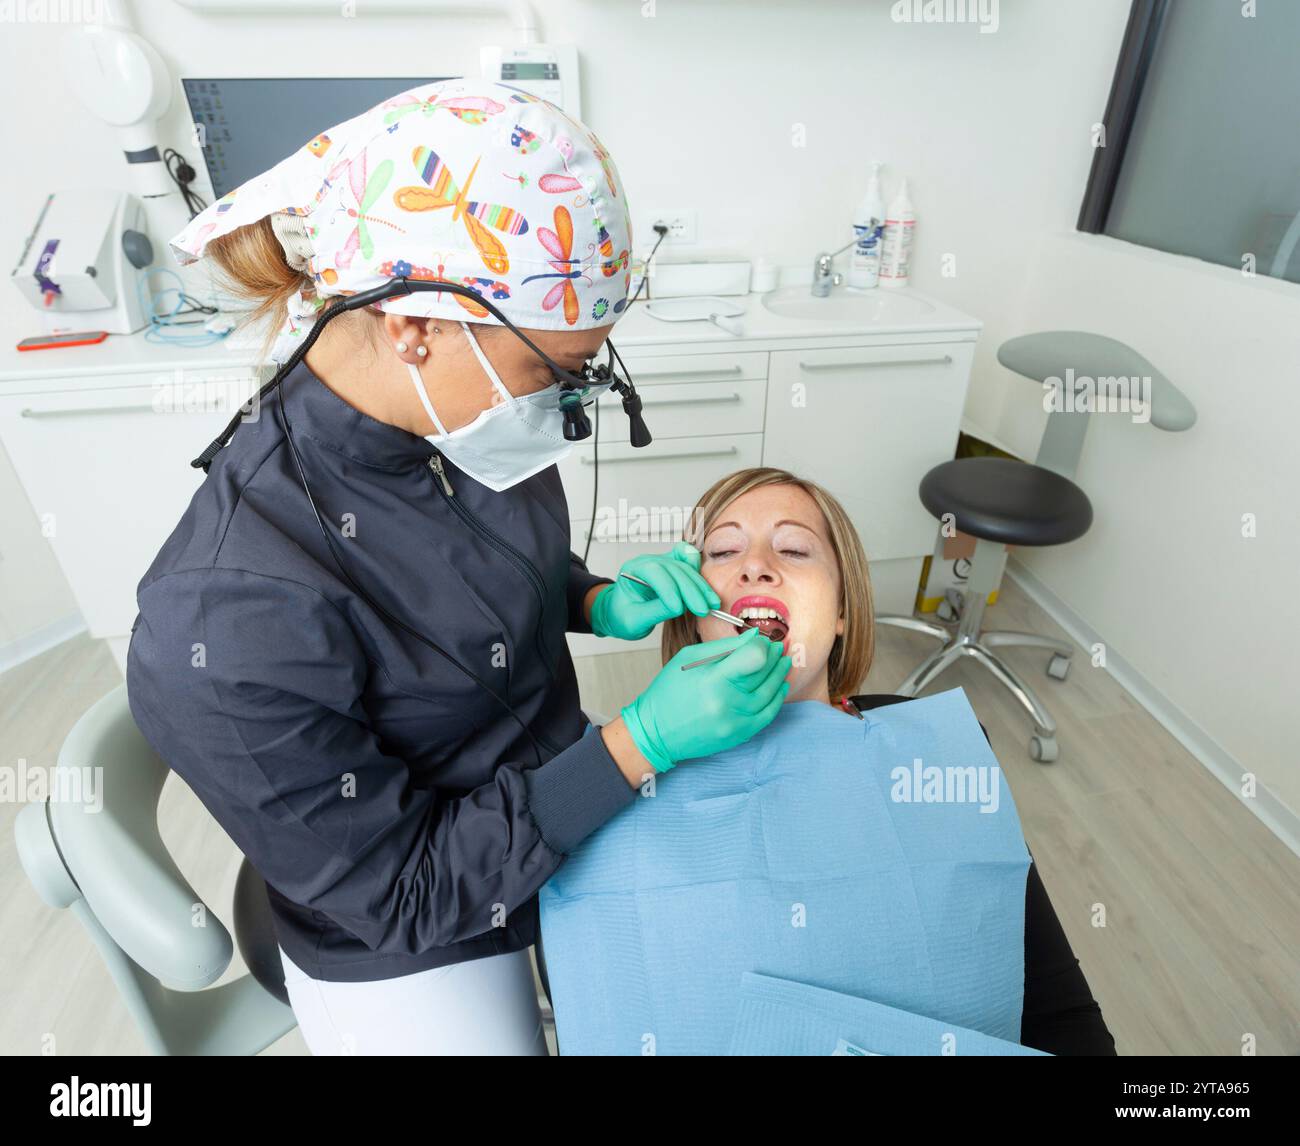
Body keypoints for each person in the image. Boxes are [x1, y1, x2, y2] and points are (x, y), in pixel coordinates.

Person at [125, 79, 788, 1056]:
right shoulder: (227, 618)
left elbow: (459, 558)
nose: (567, 408)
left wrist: (594, 598)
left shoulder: (456, 417)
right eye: (554, 375)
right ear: (414, 328)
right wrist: (637, 742)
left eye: (589, 371)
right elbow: (399, 894)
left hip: (543, 781)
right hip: (401, 909)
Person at [539, 467, 1116, 1055]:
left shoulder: (939, 764)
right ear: (691, 615)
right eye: (723, 549)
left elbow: (1062, 1018)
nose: (757, 563)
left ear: (842, 613)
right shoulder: (601, 778)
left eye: (793, 548)